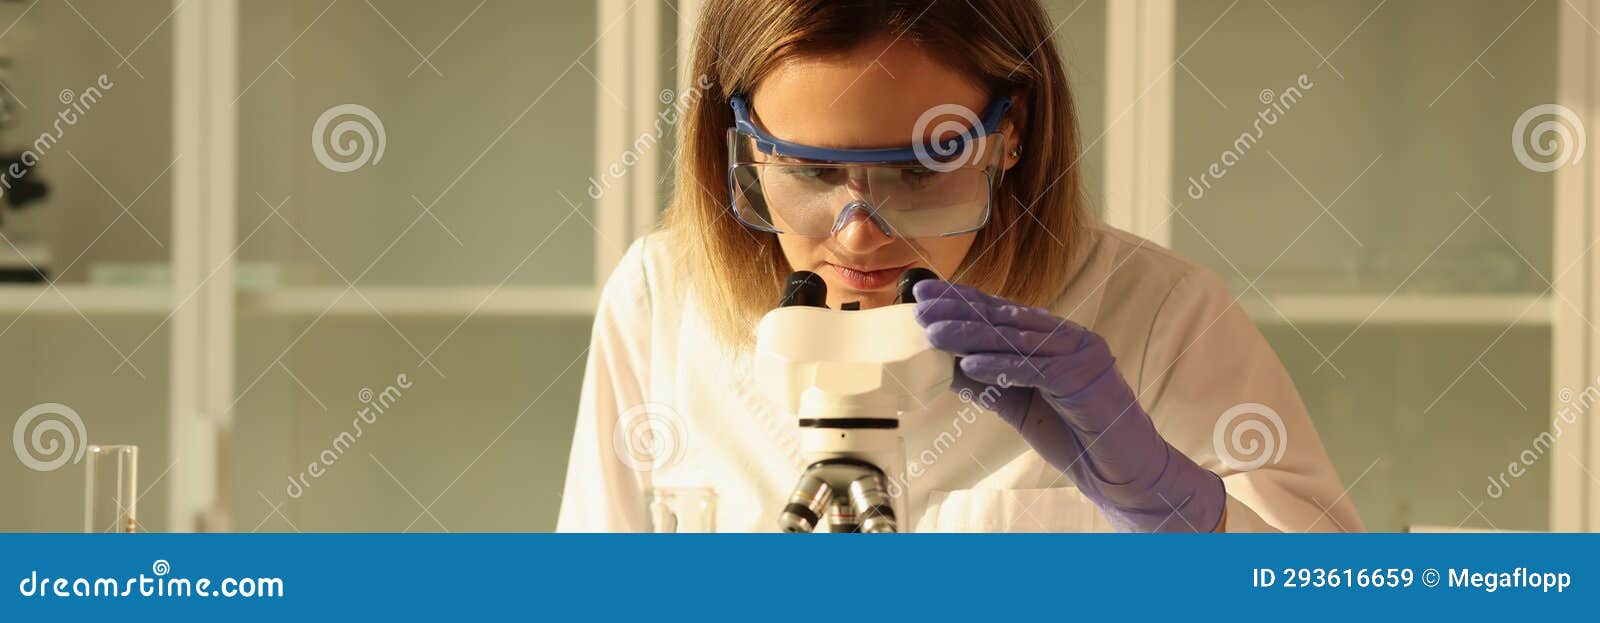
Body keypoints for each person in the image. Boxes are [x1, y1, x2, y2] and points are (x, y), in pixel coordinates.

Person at [556, 0, 1361, 532]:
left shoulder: (1160, 313)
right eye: (808, 173)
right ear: (741, 150)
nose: (859, 234)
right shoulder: (661, 300)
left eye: (917, 172)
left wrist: (1188, 516)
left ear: (1012, 137)